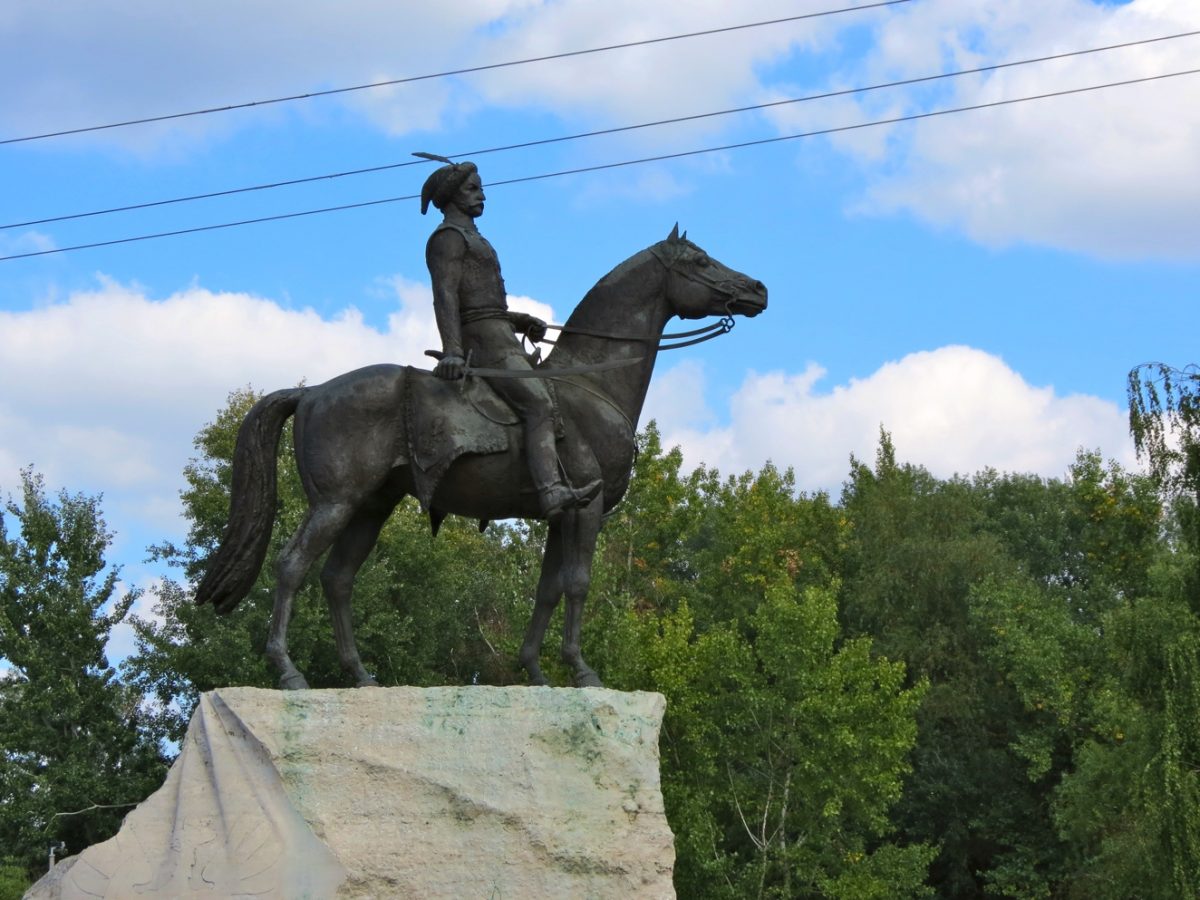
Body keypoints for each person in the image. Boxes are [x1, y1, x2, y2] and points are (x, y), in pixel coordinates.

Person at [420, 159, 601, 521]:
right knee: (537, 404)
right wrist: (454, 351)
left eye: (480, 188)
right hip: (482, 344)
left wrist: (519, 321)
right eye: (472, 189)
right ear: (451, 197)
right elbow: (446, 296)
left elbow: (485, 305)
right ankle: (551, 492)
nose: (482, 195)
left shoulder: (474, 238)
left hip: (500, 335)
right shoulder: (448, 239)